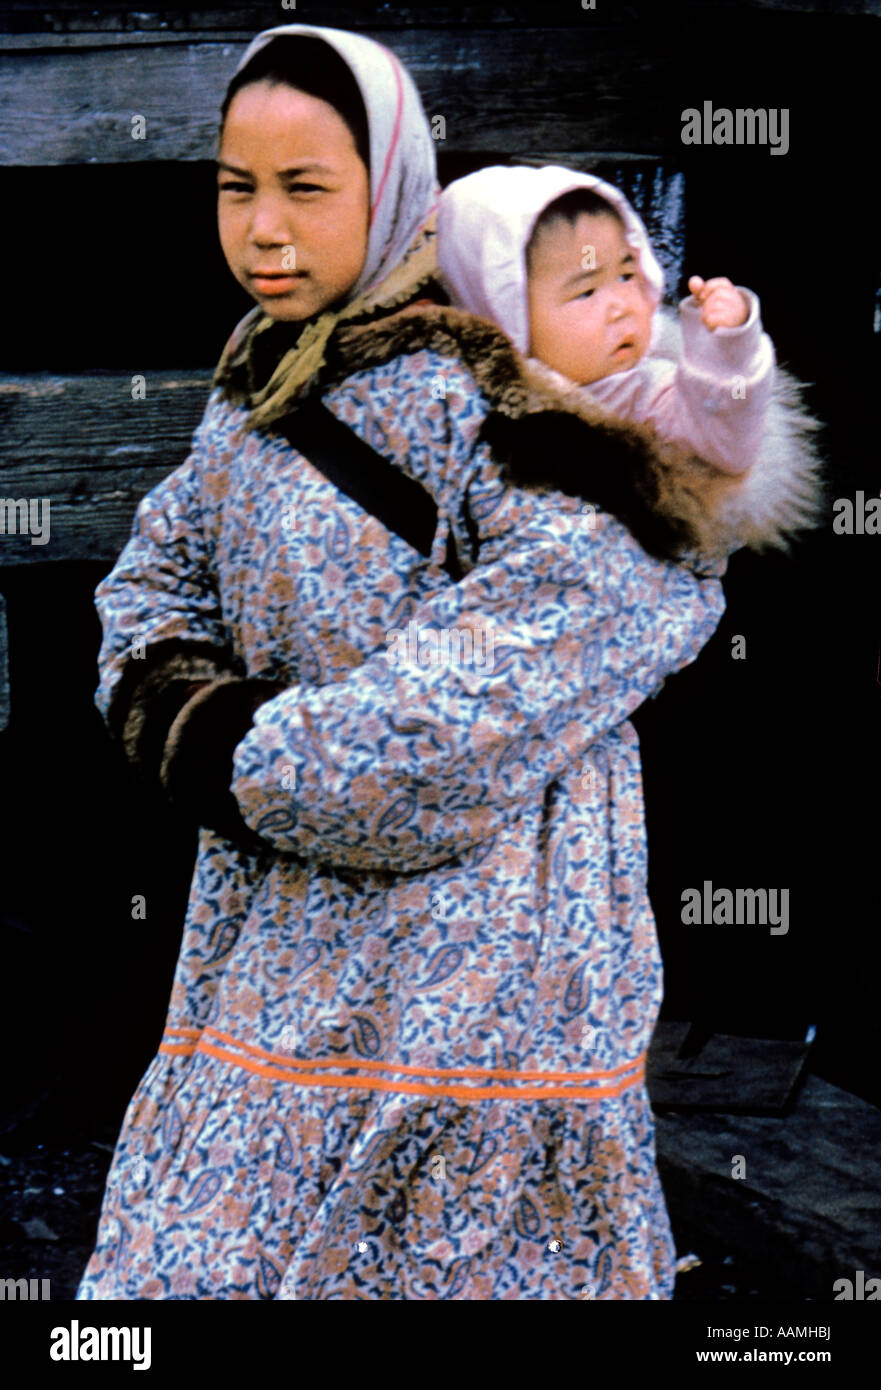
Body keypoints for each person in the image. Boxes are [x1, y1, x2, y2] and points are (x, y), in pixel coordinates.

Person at [76, 25, 821, 1301]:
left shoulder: (499, 390)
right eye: (233, 187)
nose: (261, 228)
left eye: (305, 189)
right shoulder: (255, 381)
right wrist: (184, 713)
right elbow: (149, 584)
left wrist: (250, 758)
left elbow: (561, 629)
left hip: (483, 950)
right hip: (277, 935)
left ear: (394, 187)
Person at [438, 163, 822, 518]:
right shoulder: (461, 398)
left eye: (626, 275)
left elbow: (726, 444)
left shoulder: (645, 394)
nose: (621, 307)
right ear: (503, 312)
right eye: (586, 291)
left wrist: (727, 354)